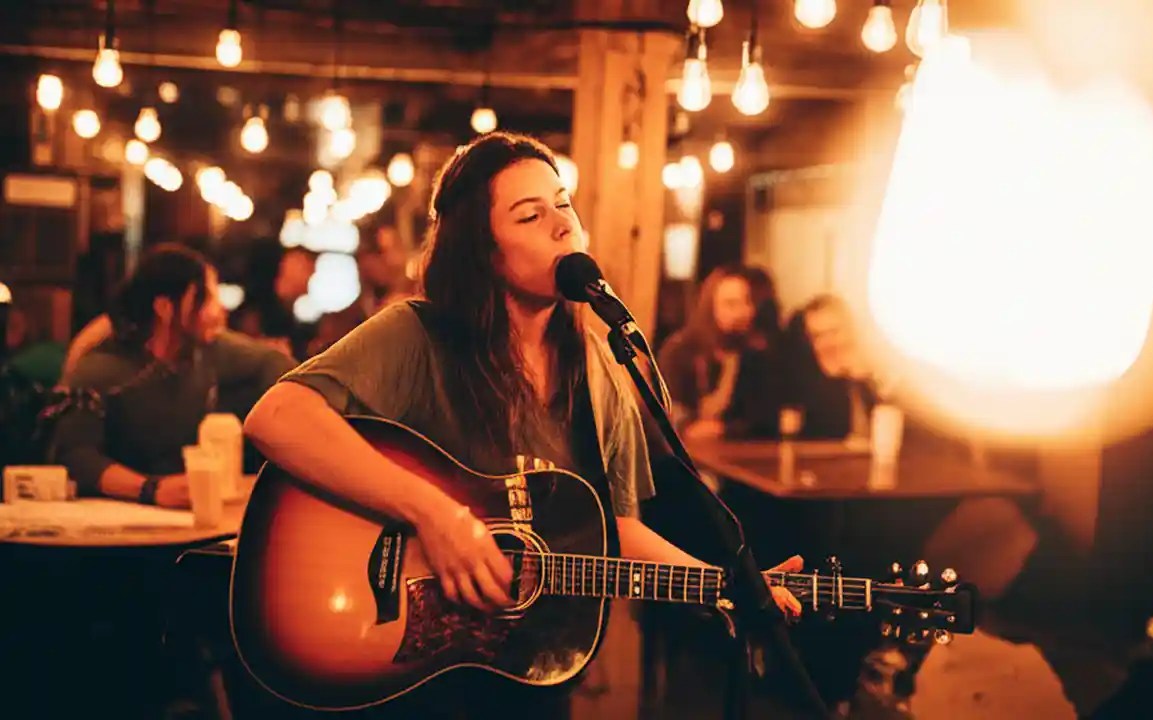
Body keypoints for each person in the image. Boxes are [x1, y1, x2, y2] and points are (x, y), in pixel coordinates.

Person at [242, 132, 802, 718]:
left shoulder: (597, 367)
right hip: (410, 672)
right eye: (530, 215)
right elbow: (277, 418)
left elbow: (610, 531)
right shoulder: (418, 336)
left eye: (563, 203)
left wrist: (725, 585)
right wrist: (435, 515)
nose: (562, 225)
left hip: (523, 667)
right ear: (483, 251)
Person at [47, 243, 295, 507]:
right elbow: (75, 456)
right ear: (165, 307)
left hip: (186, 515)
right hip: (116, 523)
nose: (219, 309)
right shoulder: (102, 368)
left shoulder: (206, 351)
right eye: (205, 298)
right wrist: (151, 489)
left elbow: (274, 364)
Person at [656, 266, 779, 440]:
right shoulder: (679, 351)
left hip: (739, 455)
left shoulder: (757, 356)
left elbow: (764, 420)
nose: (743, 312)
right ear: (710, 307)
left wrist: (727, 429)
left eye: (747, 302)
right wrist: (687, 426)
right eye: (731, 304)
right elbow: (666, 410)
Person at [781, 294, 879, 440]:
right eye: (818, 336)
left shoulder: (879, 369)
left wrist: (865, 381)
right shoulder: (803, 381)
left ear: (851, 329)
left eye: (834, 332)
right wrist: (833, 380)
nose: (827, 343)